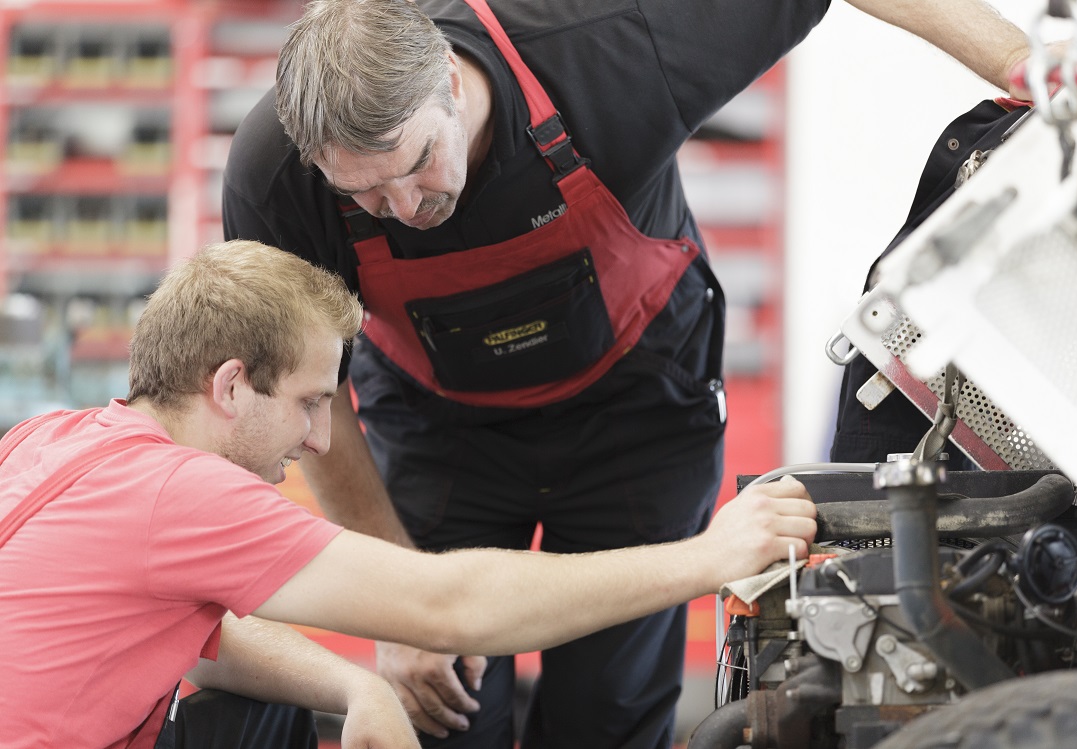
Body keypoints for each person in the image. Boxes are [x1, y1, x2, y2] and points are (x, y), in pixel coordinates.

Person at [221, 1, 1035, 746]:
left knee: (606, 717)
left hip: (638, 414)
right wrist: (391, 605)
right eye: (362, 193)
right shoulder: (273, 175)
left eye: (420, 160)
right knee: (442, 707)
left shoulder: (609, 46)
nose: (404, 207)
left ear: (447, 79)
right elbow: (302, 400)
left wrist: (1028, 65)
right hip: (442, 432)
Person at [0, 239, 818, 749]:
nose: (320, 440)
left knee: (255, 717)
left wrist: (358, 686)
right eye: (311, 401)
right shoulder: (178, 494)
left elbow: (199, 636)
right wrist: (712, 554)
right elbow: (447, 604)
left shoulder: (54, 440)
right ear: (230, 386)